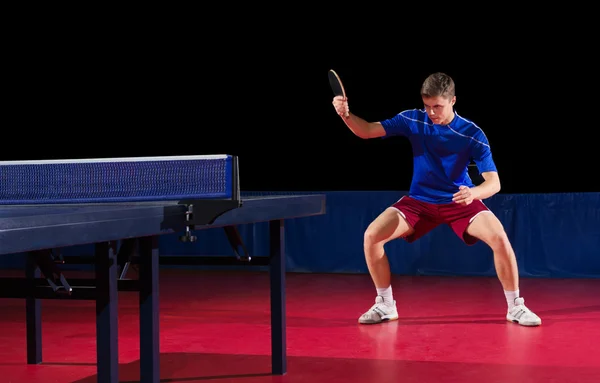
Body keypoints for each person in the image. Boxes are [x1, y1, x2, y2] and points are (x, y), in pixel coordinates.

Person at [331, 72, 541, 327]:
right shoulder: (412, 119)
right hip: (419, 201)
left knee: (499, 237)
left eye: (437, 106)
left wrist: (473, 192)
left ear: (453, 100)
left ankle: (515, 307)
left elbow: (494, 183)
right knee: (372, 236)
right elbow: (366, 131)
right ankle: (385, 304)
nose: (431, 112)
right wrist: (346, 115)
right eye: (427, 106)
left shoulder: (471, 133)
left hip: (458, 200)